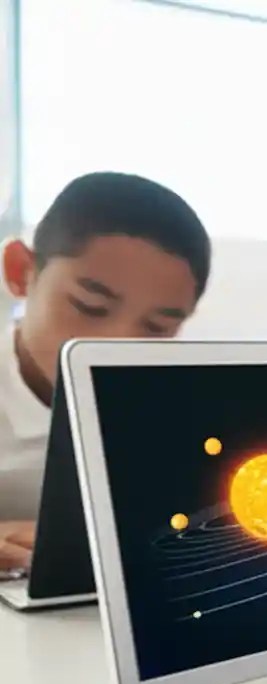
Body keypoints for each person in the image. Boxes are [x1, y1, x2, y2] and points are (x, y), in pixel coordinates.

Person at [0, 171, 212, 571]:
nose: (117, 345)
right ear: (20, 272)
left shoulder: (179, 416)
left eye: (157, 327)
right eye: (90, 307)